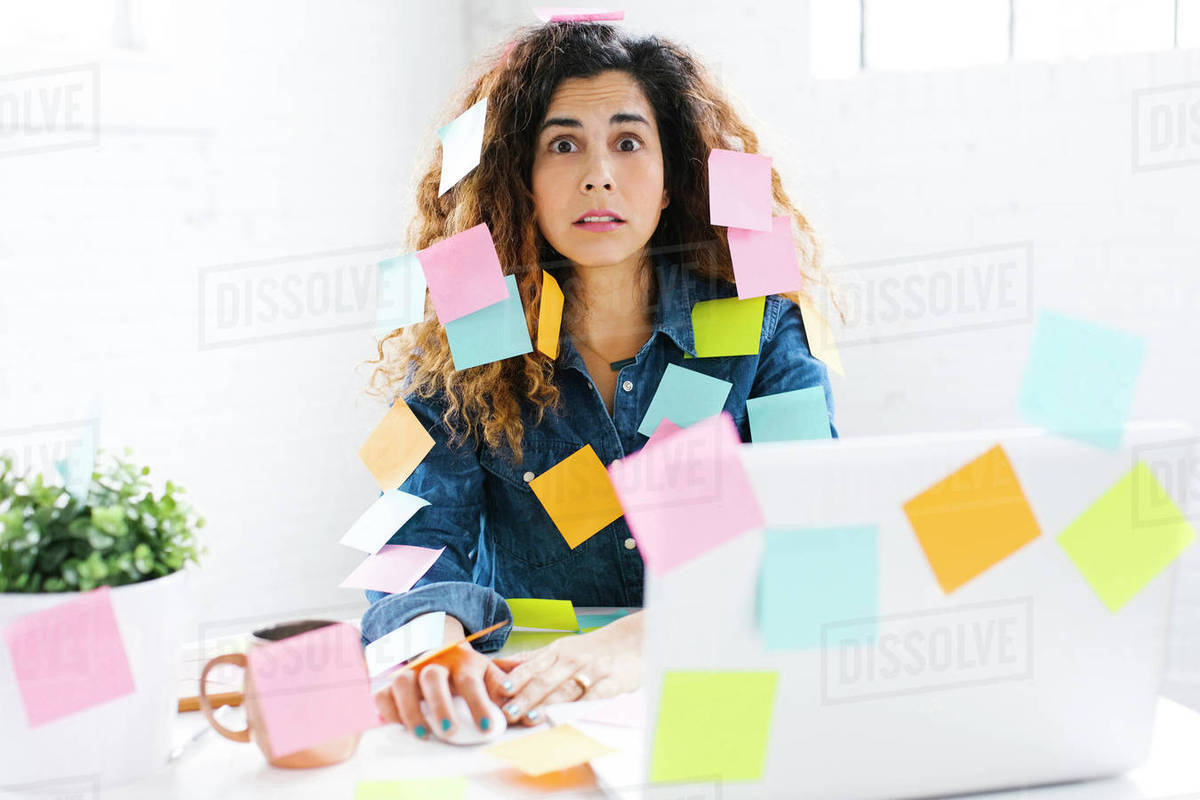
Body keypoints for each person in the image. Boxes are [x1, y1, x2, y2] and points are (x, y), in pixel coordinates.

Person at [360, 20, 839, 743]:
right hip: (530, 708)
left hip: (720, 694)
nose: (598, 174)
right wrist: (430, 645)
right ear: (519, 177)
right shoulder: (462, 345)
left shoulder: (761, 324)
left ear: (674, 177)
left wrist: (645, 637)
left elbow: (816, 529)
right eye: (562, 144)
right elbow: (411, 542)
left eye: (627, 141)